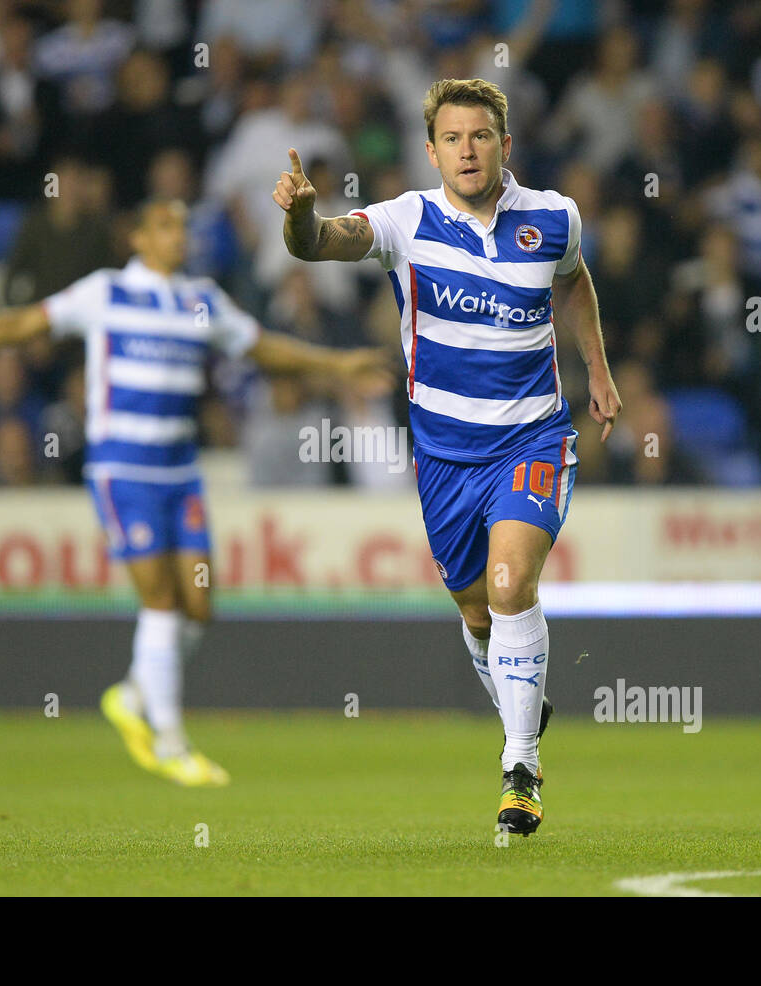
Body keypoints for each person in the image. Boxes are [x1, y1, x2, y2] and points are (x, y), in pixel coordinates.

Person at [0, 197, 389, 786]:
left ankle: (133, 695)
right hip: (123, 471)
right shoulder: (105, 293)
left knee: (199, 606)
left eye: (182, 228)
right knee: (159, 601)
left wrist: (336, 366)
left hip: (179, 471)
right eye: (164, 228)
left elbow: (261, 346)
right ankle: (172, 743)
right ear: (137, 239)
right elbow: (25, 323)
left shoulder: (201, 301)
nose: (178, 237)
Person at [274, 78, 621, 835]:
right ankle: (520, 697)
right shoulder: (407, 220)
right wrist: (302, 217)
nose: (469, 151)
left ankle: (520, 767)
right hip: (443, 456)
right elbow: (322, 242)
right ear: (431, 152)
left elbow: (575, 283)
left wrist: (596, 367)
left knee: (509, 580)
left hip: (531, 437)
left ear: (505, 144)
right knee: (476, 608)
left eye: (482, 137)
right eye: (454, 140)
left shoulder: (554, 218)